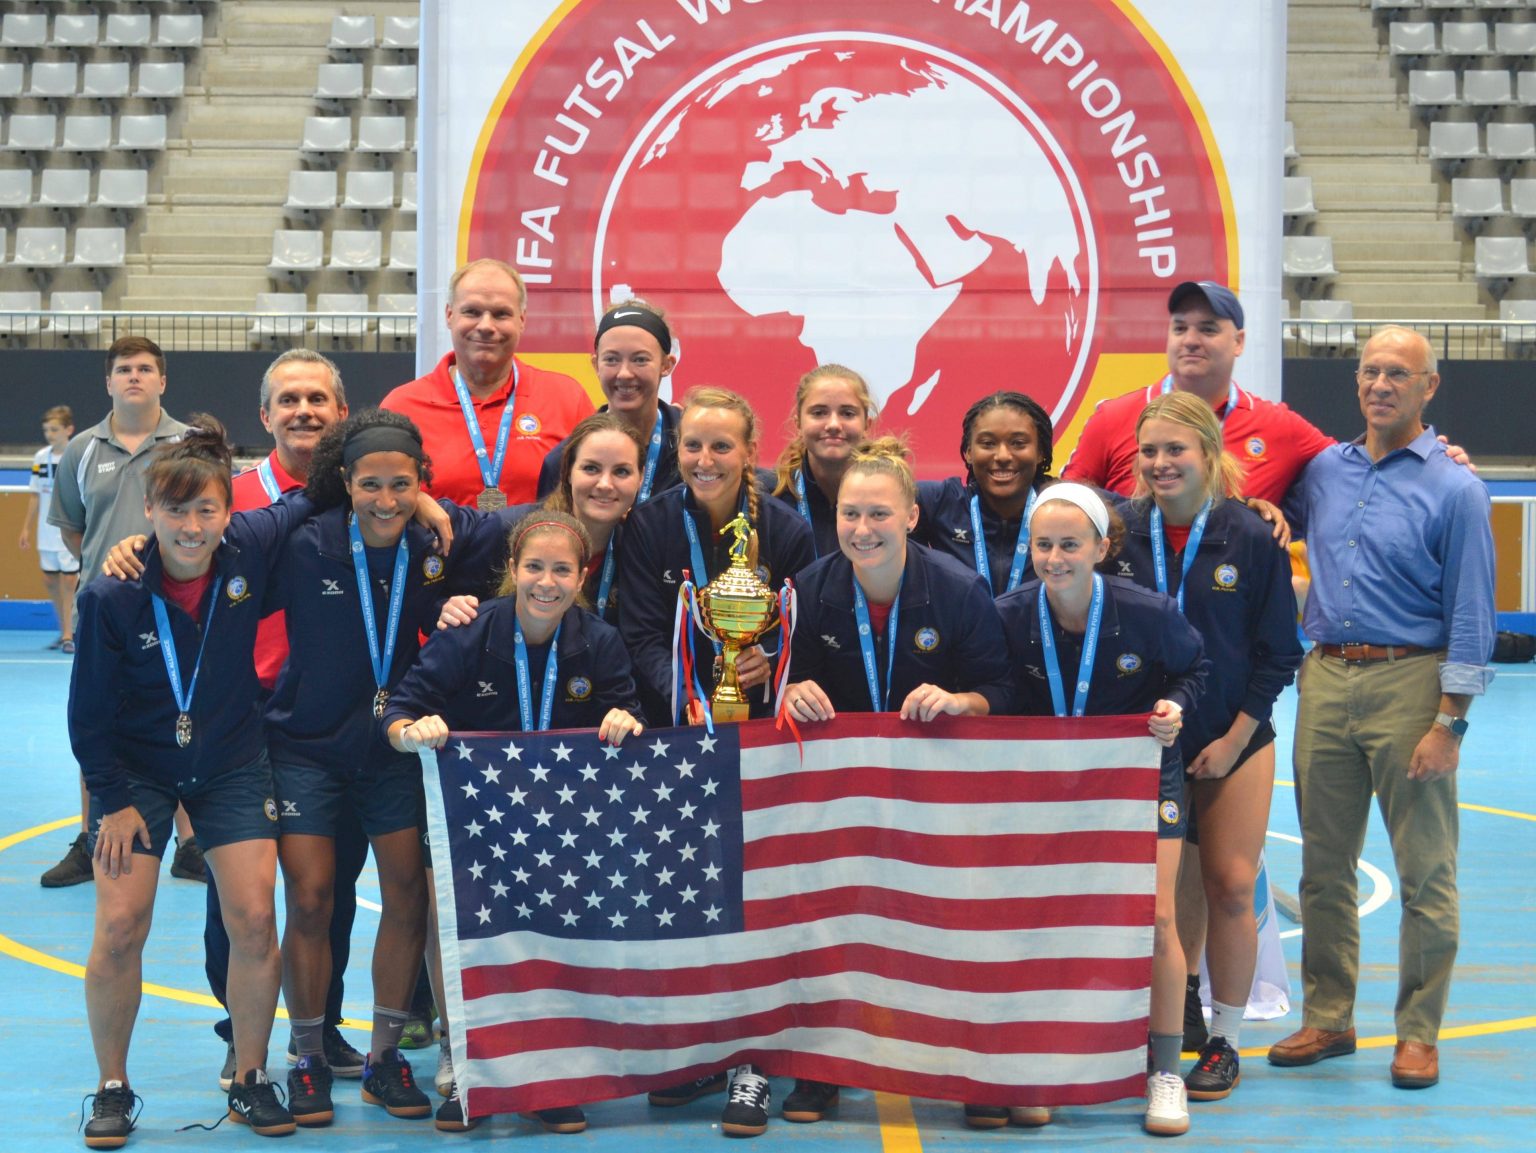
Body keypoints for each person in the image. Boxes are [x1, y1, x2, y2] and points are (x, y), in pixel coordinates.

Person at [261, 409, 518, 1129]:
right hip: (307, 746)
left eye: (401, 485)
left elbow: (524, 525)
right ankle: (307, 1054)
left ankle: (382, 1058)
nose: (384, 499)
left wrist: (447, 553)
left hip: (395, 748)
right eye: (368, 484)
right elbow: (256, 532)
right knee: (311, 899)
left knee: (407, 894)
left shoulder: (435, 547)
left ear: (421, 484)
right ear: (344, 483)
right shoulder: (306, 542)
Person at [70, 417, 314, 1146]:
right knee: (119, 925)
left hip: (233, 761)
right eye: (175, 508)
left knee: (254, 919)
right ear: (149, 510)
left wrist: (424, 501)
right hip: (136, 771)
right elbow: (86, 714)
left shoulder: (247, 555)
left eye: (206, 508)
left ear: (227, 510)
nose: (191, 523)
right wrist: (110, 801)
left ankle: (249, 1074)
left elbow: (320, 489)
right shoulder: (111, 592)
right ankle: (112, 1087)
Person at [1267, 327, 1496, 1091]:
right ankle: (1328, 1016)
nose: (1380, 384)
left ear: (1430, 388)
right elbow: (1264, 500)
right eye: (1369, 371)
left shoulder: (1457, 487)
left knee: (1427, 871)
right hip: (1326, 677)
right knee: (1323, 868)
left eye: (1399, 373)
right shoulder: (1325, 471)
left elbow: (1472, 611)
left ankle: (1419, 1032)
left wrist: (1450, 720)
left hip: (1411, 683)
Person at [778, 436, 1015, 1132]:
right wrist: (793, 690)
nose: (862, 529)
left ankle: (974, 1068)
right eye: (851, 513)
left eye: (878, 513)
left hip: (938, 792)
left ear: (912, 516)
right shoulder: (812, 590)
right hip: (840, 793)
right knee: (831, 923)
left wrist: (960, 701)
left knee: (949, 925)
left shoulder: (959, 588)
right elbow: (780, 685)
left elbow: (1001, 689)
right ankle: (820, 1069)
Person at [384, 510, 647, 1134]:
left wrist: (624, 723)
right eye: (535, 567)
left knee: (553, 939)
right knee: (460, 932)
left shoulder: (600, 640)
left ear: (582, 576)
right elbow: (399, 712)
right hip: (474, 818)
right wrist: (410, 732)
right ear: (512, 570)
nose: (546, 582)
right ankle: (468, 1065)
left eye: (562, 569)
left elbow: (629, 712)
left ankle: (551, 1073)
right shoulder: (470, 631)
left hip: (562, 826)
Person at [995, 483, 1208, 1137]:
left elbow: (1195, 670)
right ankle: (1041, 1067)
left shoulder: (1148, 612)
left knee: (1159, 916)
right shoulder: (1008, 613)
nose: (1055, 557)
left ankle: (1165, 1072)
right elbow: (991, 685)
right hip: (1046, 787)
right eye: (1043, 544)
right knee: (1044, 917)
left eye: (1069, 544)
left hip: (1138, 779)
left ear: (1101, 546)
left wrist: (1176, 707)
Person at [1117, 392, 1303, 1100]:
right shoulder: (1118, 532)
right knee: (1162, 894)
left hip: (1233, 736)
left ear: (1209, 453)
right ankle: (1169, 1012)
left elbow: (1278, 654)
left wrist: (1232, 740)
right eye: (1151, 451)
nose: (1162, 463)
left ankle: (1224, 1039)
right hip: (1145, 741)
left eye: (1176, 450)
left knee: (1227, 882)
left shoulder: (1251, 536)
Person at [220, 351, 365, 1089]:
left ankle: (323, 1021)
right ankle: (236, 1028)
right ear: (265, 416)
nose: (303, 409)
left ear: (342, 412)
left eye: (318, 397)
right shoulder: (233, 496)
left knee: (326, 890)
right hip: (242, 723)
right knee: (240, 893)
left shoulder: (363, 497)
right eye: (289, 399)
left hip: (329, 724)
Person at [44, 337, 198, 889]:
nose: (134, 377)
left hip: (180, 611)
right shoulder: (82, 449)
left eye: (145, 368)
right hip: (105, 615)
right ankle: (91, 840)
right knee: (97, 721)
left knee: (184, 719)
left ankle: (191, 842)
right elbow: (73, 528)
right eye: (124, 369)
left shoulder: (190, 444)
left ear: (163, 380)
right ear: (108, 382)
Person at [618, 387, 816, 729]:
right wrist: (685, 696)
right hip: (672, 718)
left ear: (749, 452)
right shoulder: (648, 524)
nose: (704, 461)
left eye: (721, 447)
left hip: (760, 719)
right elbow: (642, 636)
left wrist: (768, 656)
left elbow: (801, 628)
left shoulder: (787, 530)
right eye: (692, 445)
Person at [1062, 281, 1334, 504]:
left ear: (1238, 342)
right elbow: (1065, 500)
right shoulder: (1113, 417)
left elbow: (1351, 471)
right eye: (1180, 328)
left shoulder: (1278, 427)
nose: (1190, 341)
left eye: (1207, 329)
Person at [381, 258, 594, 509]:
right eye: (472, 312)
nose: (486, 326)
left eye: (501, 314)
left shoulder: (567, 398)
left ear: (522, 320)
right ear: (449, 315)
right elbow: (380, 496)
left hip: (540, 548)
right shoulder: (402, 407)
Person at [538, 299, 683, 506]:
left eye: (640, 359)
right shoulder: (566, 458)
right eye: (612, 360)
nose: (624, 373)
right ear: (596, 364)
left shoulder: (694, 446)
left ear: (666, 365)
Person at [914, 390, 1055, 597]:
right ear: (969, 452)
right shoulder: (939, 503)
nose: (1003, 456)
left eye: (1018, 443)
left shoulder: (1069, 508)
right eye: (988, 444)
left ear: (1040, 452)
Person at [768, 364, 877, 558]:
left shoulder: (890, 496)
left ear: (866, 425)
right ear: (798, 424)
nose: (833, 424)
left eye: (847, 413)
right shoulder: (769, 499)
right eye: (819, 413)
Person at [19, 405, 79, 653]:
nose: (50, 434)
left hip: (66, 527)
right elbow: (35, 494)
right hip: (45, 530)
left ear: (69, 430)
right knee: (50, 579)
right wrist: (25, 528)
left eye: (55, 429)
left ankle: (69, 633)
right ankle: (63, 627)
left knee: (69, 581)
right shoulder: (40, 458)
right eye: (46, 430)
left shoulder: (77, 455)